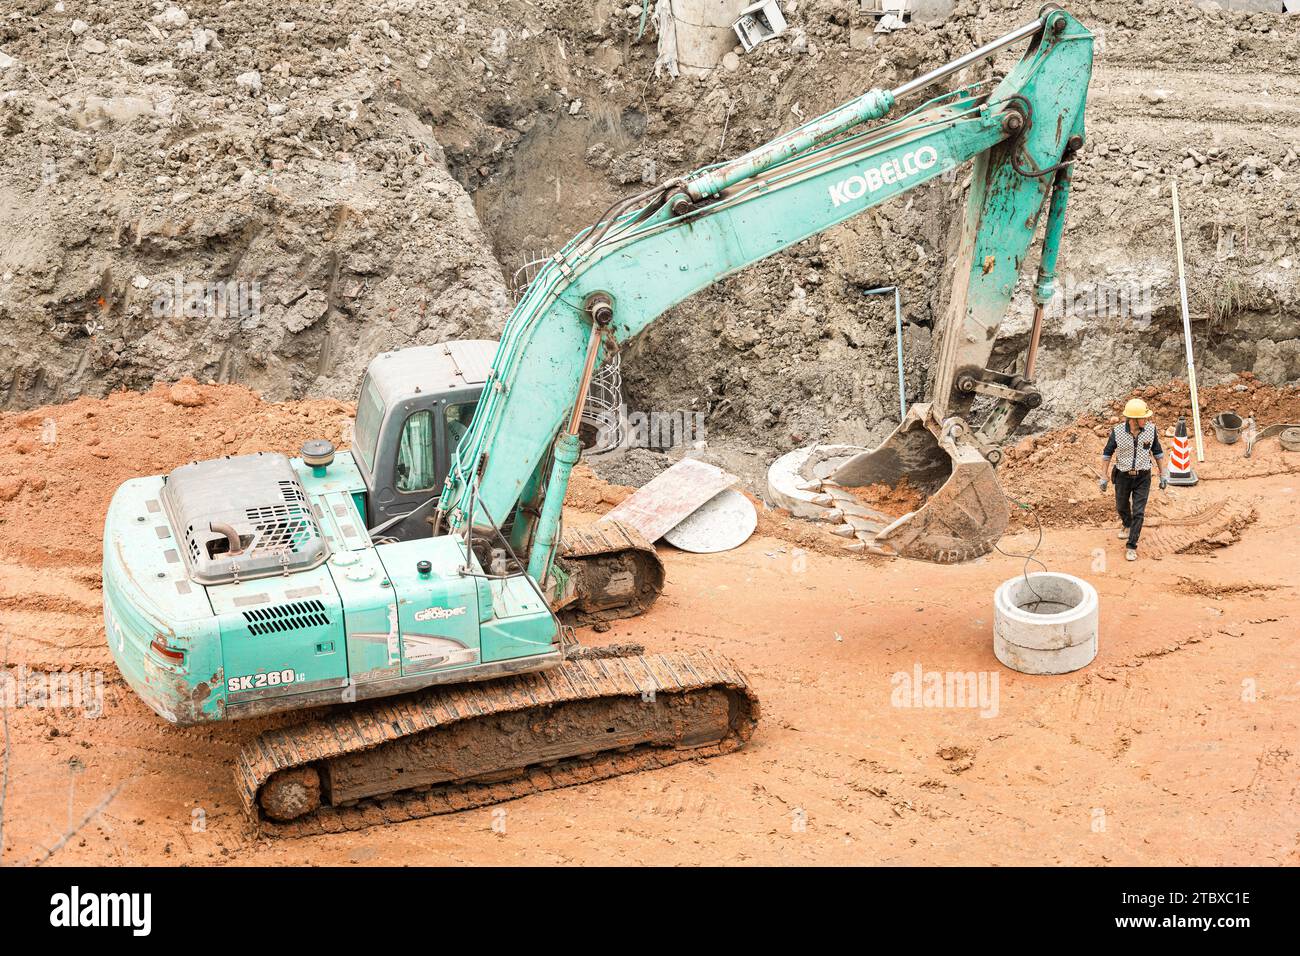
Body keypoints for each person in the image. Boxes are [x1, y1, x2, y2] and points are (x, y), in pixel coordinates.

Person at [1099, 398, 1168, 562]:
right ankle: (1127, 524)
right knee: (1121, 506)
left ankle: (1131, 546)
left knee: (1139, 512)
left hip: (1143, 476)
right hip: (1122, 476)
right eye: (1144, 417)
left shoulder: (1151, 430)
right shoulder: (1118, 432)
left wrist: (1163, 474)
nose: (1147, 420)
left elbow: (1157, 452)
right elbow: (1107, 454)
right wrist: (1103, 476)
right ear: (1134, 419)